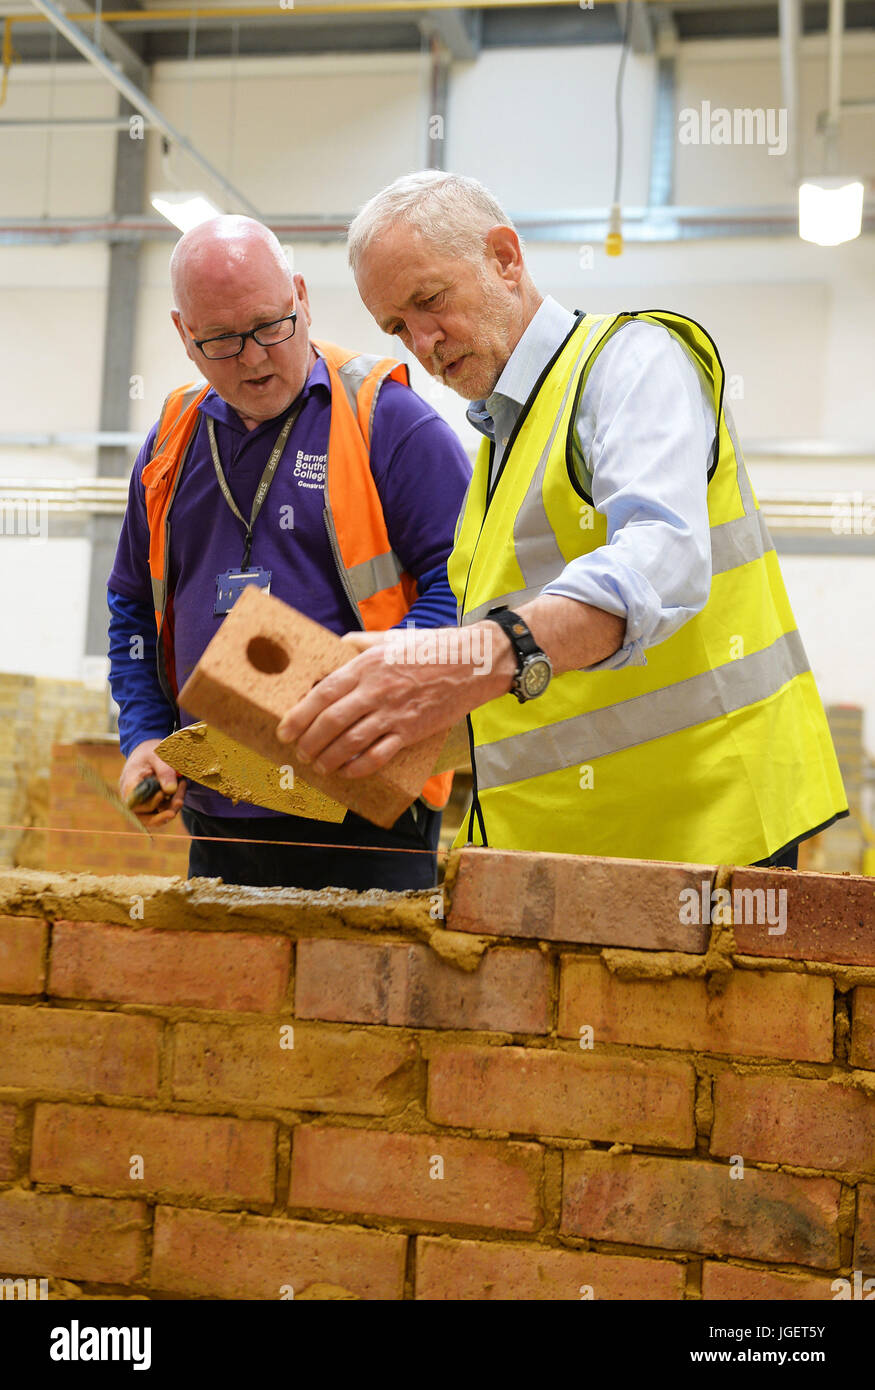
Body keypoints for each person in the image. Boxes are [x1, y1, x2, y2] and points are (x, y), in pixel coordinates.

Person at [274, 170, 848, 869]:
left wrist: (455, 663)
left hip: (705, 833)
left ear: (505, 258)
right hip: (561, 850)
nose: (422, 344)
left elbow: (655, 559)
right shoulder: (494, 455)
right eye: (397, 327)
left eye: (430, 301)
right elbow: (530, 683)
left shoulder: (631, 363)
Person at [107, 214, 471, 890]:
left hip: (367, 820)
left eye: (271, 326)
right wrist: (145, 738)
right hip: (221, 814)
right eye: (221, 339)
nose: (252, 358)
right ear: (184, 334)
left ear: (301, 297)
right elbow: (131, 607)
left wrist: (365, 691)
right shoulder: (169, 443)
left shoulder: (387, 421)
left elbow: (471, 592)